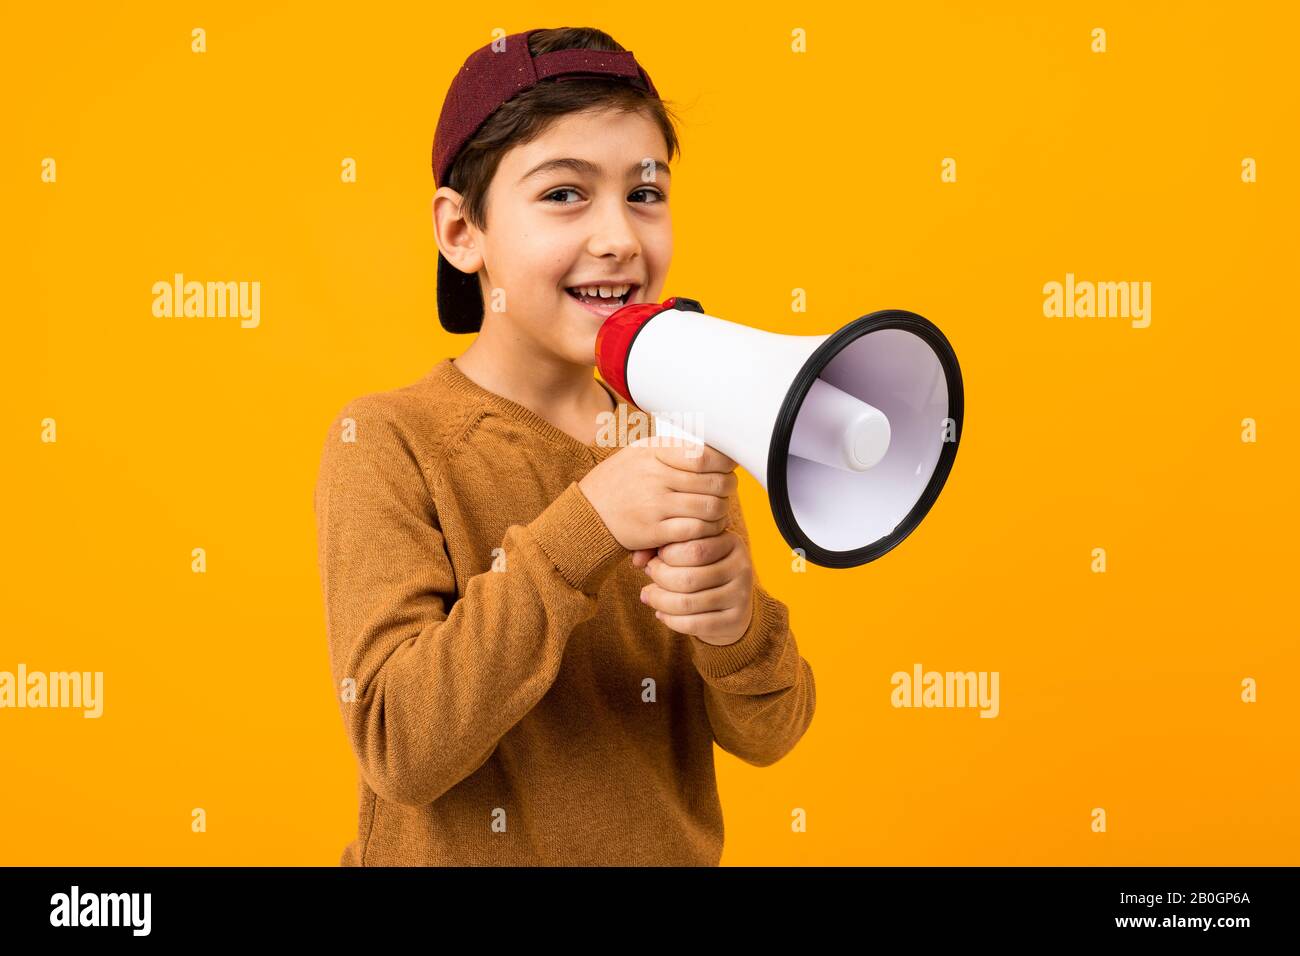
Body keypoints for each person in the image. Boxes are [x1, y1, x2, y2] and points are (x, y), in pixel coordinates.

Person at [313, 26, 815, 866]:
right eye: (563, 195)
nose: (620, 236)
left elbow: (771, 732)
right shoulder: (388, 441)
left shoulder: (676, 425)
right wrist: (586, 524)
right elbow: (399, 743)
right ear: (461, 230)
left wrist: (734, 627)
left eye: (645, 193)